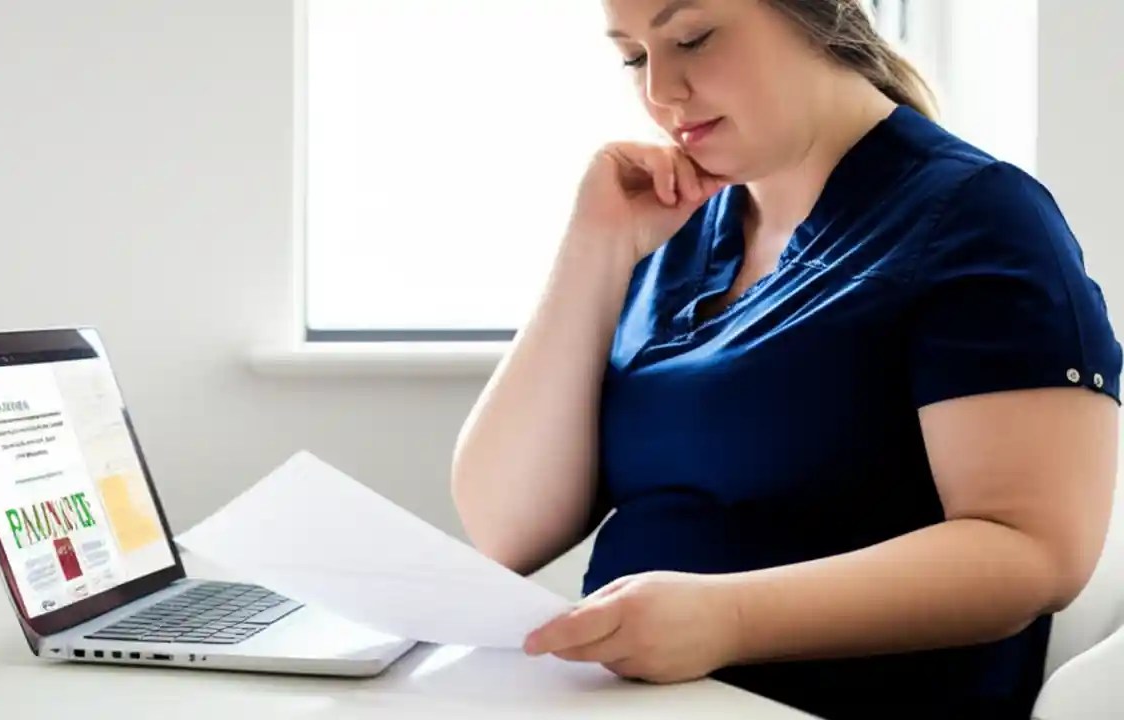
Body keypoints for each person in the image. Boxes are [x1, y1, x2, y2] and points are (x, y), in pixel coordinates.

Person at [450, 1, 1122, 717]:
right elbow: (505, 531)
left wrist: (728, 619)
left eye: (693, 39)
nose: (660, 92)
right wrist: (595, 246)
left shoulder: (978, 218)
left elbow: (1031, 552)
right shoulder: (670, 228)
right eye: (634, 58)